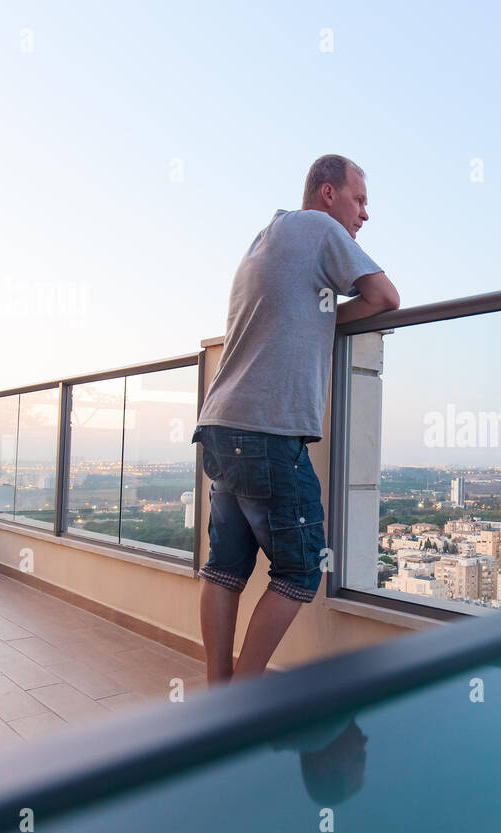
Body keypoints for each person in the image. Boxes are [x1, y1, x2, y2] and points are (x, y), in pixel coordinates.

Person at [192, 154, 400, 682]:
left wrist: (319, 316)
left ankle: (219, 696)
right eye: (359, 200)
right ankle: (246, 700)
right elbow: (385, 297)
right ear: (327, 193)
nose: (364, 214)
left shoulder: (269, 234)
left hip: (220, 424)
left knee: (225, 568)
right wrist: (332, 318)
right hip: (266, 430)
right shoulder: (317, 227)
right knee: (302, 568)